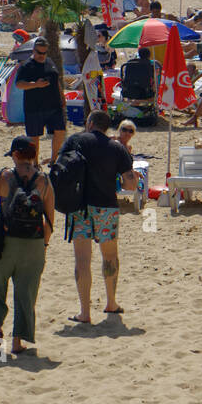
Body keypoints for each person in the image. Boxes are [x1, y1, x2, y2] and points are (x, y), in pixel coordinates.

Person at [0, 136, 53, 354]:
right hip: (33, 244)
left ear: (15, 156)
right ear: (34, 155)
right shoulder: (44, 181)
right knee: (26, 293)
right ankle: (18, 342)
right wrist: (43, 246)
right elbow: (50, 222)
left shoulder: (5, 177)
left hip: (4, 242)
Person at [62, 110, 135, 324]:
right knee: (110, 256)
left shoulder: (75, 141)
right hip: (106, 207)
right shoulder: (117, 148)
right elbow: (129, 185)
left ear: (90, 123)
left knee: (83, 260)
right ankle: (111, 302)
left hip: (79, 207)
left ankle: (84, 312)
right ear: (107, 127)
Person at [15, 37, 66, 164]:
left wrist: (62, 95)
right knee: (34, 137)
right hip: (34, 107)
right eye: (39, 53)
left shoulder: (49, 62)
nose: (41, 56)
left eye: (44, 53)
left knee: (60, 131)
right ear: (33, 50)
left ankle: (54, 160)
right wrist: (35, 85)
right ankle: (35, 163)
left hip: (54, 105)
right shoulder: (26, 66)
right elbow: (19, 84)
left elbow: (56, 79)